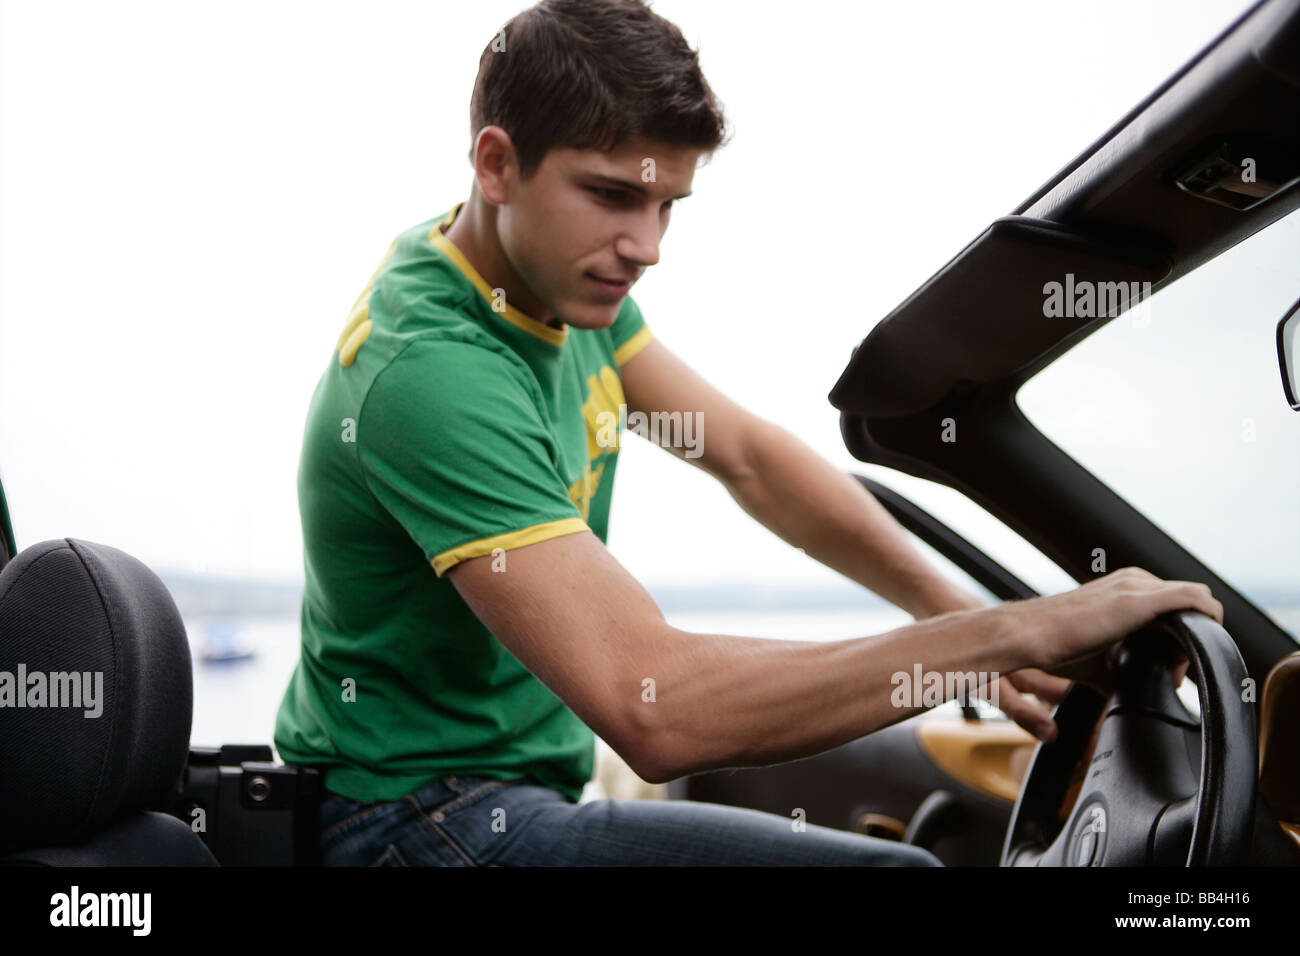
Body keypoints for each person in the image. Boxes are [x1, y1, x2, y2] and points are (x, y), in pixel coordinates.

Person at [273, 0, 1220, 867]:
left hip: (508, 788)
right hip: (402, 819)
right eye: (611, 196)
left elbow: (752, 461)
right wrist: (1012, 629)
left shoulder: (545, 282)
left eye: (667, 204)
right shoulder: (433, 372)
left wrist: (952, 612)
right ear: (496, 164)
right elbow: (656, 706)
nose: (647, 247)